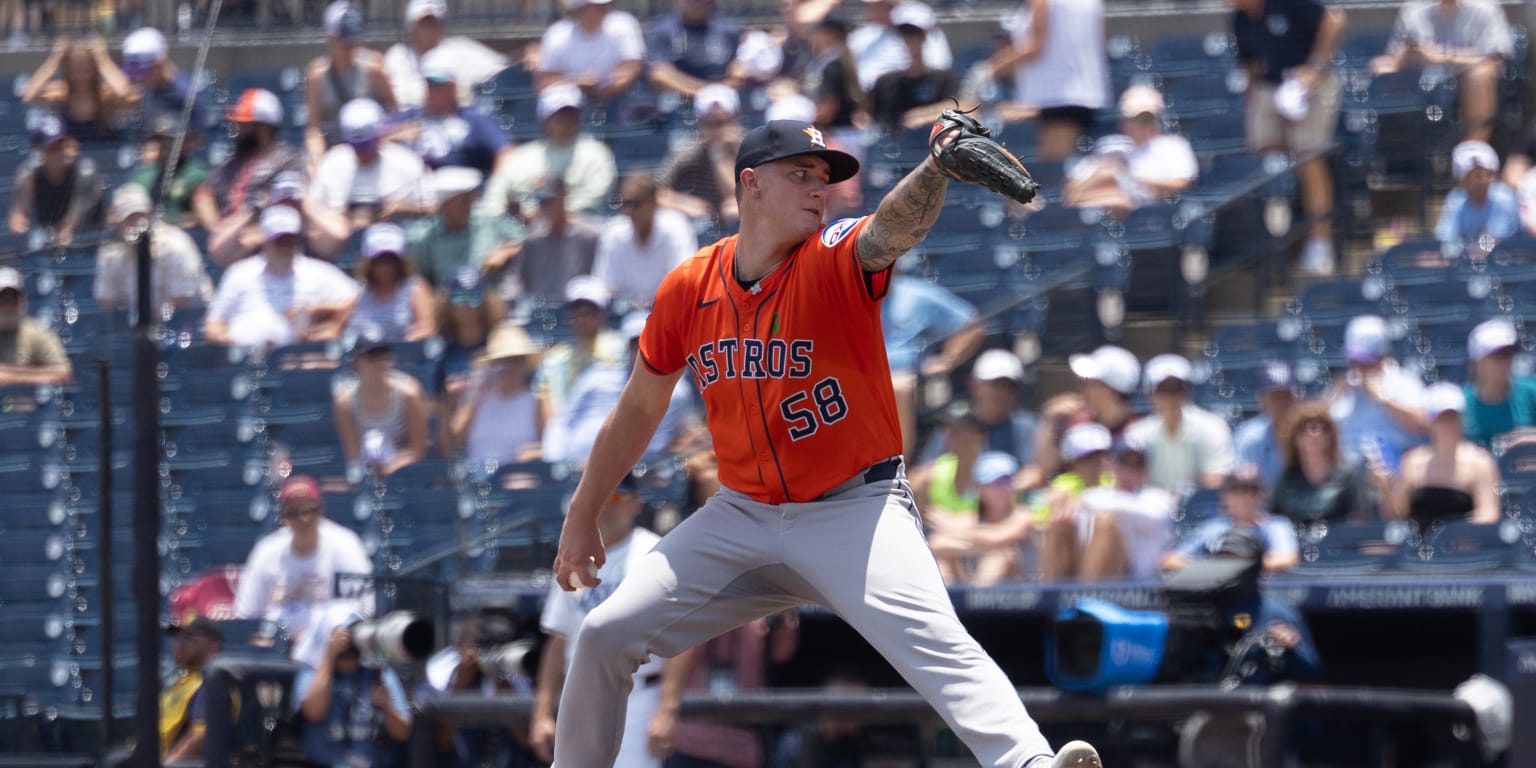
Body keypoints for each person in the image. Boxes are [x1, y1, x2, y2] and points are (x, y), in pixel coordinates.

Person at [549, 118, 1102, 768]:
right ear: (749, 183)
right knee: (606, 634)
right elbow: (638, 408)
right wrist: (582, 514)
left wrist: (936, 170)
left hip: (854, 509)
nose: (820, 190)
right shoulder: (688, 287)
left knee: (936, 641)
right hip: (743, 515)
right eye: (800, 175)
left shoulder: (831, 257)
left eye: (825, 178)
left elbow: (887, 231)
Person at [531, 473, 692, 768]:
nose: (607, 504)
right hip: (579, 696)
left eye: (616, 496)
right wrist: (542, 713)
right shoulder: (574, 553)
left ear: (636, 503)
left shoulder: (656, 552)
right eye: (602, 495)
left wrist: (667, 708)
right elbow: (559, 639)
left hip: (636, 695)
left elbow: (681, 634)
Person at [1227, 0, 1347, 274]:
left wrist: (1315, 67)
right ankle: (1275, 234)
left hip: (1309, 86)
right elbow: (1248, 61)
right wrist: (1251, 90)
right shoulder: (1239, 18)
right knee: (1261, 160)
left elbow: (1335, 19)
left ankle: (1320, 242)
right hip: (1270, 88)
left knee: (1308, 156)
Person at [233, 475, 374, 669]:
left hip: (332, 652)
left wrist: (316, 637)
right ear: (283, 515)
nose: (304, 518)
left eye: (310, 509)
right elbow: (247, 614)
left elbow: (362, 608)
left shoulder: (344, 544)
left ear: (321, 510)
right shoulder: (267, 550)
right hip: (277, 649)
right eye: (294, 511)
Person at [542, 310, 697, 468]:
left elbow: (654, 448)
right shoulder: (595, 377)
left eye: (649, 344)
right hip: (570, 470)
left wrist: (596, 468)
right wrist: (555, 462)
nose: (641, 352)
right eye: (635, 345)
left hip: (629, 478)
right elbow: (562, 424)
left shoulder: (675, 390)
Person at [204, 205, 360, 348]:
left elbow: (359, 301)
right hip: (244, 362)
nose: (284, 245)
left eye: (288, 239)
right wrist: (227, 340)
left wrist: (320, 313)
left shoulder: (318, 272)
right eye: (278, 240)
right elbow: (213, 325)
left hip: (297, 361)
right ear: (265, 240)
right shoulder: (239, 273)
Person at [1371, 0, 1511, 143]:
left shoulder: (1485, 7)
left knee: (1480, 75)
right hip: (1424, 81)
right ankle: (1398, 149)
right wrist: (1410, 54)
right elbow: (1394, 56)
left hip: (1468, 79)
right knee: (1383, 69)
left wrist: (1446, 56)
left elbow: (1496, 57)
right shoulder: (1414, 8)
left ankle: (1473, 150)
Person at [192, 89, 305, 260]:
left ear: (263, 128)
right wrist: (217, 228)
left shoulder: (288, 161)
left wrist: (253, 232)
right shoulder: (230, 163)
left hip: (267, 243)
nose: (238, 130)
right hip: (228, 240)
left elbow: (292, 206)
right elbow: (203, 194)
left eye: (244, 125)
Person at [881, 276, 984, 462]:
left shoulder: (916, 294)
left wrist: (946, 360)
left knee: (899, 387)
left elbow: (971, 326)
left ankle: (896, 466)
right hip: (859, 374)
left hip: (905, 377)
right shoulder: (847, 296)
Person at [308, 97, 435, 248]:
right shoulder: (332, 163)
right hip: (342, 248)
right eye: (356, 147)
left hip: (396, 249)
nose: (362, 153)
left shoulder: (407, 163)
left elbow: (433, 208)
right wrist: (340, 217)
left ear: (380, 135)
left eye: (366, 145)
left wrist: (402, 209)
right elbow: (312, 215)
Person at [991, 0, 1109, 161]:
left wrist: (991, 69)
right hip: (1078, 92)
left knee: (1054, 170)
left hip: (1058, 95)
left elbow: (1034, 47)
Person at [294, 613, 413, 767]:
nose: (350, 641)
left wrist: (387, 707)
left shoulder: (381, 673)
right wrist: (329, 656)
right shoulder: (313, 671)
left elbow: (404, 733)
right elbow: (314, 713)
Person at [483, 84, 618, 220]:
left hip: (579, 228)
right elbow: (495, 196)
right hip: (523, 229)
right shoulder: (521, 157)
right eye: (560, 115)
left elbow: (596, 195)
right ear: (544, 119)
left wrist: (550, 213)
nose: (567, 119)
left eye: (572, 113)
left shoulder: (596, 153)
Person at [1063, 85, 1198, 212]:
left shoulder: (1173, 146)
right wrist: (1102, 172)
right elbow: (1071, 193)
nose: (1142, 125)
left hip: (1154, 214)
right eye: (1135, 119)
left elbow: (1181, 184)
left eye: (1147, 119)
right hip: (1105, 211)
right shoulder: (1110, 146)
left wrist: (1130, 177)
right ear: (1123, 122)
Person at [1387, 381, 1502, 524]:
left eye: (1453, 418)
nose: (1449, 425)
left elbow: (1488, 513)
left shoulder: (1480, 463)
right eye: (1442, 419)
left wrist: (1451, 532)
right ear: (1430, 423)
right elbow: (1398, 514)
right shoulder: (1411, 463)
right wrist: (1386, 488)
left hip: (1463, 542)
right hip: (1420, 543)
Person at [1326, 314, 1427, 469]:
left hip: (1395, 467)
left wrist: (1382, 398)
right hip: (1348, 474)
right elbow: (1313, 426)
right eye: (1354, 362)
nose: (1359, 368)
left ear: (1383, 356)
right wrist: (1333, 397)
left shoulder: (1403, 382)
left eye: (1365, 362)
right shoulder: (1343, 386)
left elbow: (1421, 424)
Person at [1125, 354, 1236, 494]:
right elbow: (1130, 485)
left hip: (1199, 510)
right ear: (1150, 395)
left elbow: (1214, 484)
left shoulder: (1212, 428)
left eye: (1177, 390)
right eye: (1163, 390)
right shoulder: (1137, 435)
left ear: (1188, 393)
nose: (1171, 398)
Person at [93, 183, 212, 312]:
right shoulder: (111, 255)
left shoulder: (175, 245)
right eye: (130, 218)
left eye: (141, 216)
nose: (137, 223)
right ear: (118, 222)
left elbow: (182, 300)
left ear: (151, 214)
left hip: (188, 320)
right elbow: (107, 305)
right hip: (135, 325)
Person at [389, 49, 510, 176]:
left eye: (439, 85)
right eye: (430, 84)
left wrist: (496, 188)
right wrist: (394, 138)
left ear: (453, 87)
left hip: (459, 187)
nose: (434, 91)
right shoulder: (409, 117)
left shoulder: (473, 120)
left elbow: (505, 151)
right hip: (413, 187)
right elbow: (371, 143)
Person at [304, 0, 397, 164]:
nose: (349, 46)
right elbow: (314, 128)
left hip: (372, 151)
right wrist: (317, 159)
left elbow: (395, 114)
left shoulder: (374, 68)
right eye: (343, 41)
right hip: (335, 153)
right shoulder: (317, 76)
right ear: (331, 37)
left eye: (352, 41)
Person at [334, 332, 431, 478]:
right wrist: (371, 470)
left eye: (383, 354)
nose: (379, 361)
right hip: (366, 474)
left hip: (406, 474)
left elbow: (418, 450)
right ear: (357, 361)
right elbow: (353, 454)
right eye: (372, 356)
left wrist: (390, 468)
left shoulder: (408, 394)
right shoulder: (345, 403)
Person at [408, 167, 523, 289]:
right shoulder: (424, 236)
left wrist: (504, 253)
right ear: (445, 205)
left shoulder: (490, 219)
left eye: (470, 199)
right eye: (464, 201)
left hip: (490, 300)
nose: (470, 204)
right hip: (447, 304)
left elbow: (526, 243)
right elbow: (422, 280)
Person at [451, 323, 550, 465]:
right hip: (477, 480)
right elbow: (455, 439)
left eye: (515, 361)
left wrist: (531, 454)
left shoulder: (537, 401)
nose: (508, 367)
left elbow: (554, 447)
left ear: (524, 364)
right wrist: (473, 396)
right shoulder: (477, 400)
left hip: (520, 479)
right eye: (502, 362)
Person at [593, 175, 699, 307]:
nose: (629, 211)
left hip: (670, 313)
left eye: (636, 203)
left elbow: (684, 281)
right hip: (626, 317)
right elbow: (606, 288)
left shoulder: (675, 227)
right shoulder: (614, 233)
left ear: (653, 203)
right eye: (625, 204)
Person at [1162, 473, 1299, 574]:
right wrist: (1212, 569)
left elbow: (1287, 558)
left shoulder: (1276, 526)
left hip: (1262, 594)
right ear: (1224, 496)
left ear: (1262, 495)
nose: (1246, 497)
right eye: (1237, 490)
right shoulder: (1213, 528)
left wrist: (1235, 567)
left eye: (1252, 490)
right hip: (1217, 594)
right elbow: (1171, 560)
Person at [383, 0, 508, 110]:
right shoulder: (398, 56)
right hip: (412, 123)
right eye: (424, 24)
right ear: (411, 27)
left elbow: (504, 71)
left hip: (457, 123)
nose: (429, 29)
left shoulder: (462, 48)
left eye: (434, 23)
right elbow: (396, 98)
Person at [1269, 401, 1380, 524]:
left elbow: (1358, 522)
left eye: (1323, 429)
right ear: (1295, 438)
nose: (1314, 434)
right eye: (1304, 429)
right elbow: (1275, 523)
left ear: (1330, 436)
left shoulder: (1348, 479)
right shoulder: (1287, 480)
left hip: (1339, 541)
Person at [9, 112, 102, 246]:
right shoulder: (30, 175)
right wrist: (20, 225)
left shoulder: (85, 170)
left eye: (61, 145)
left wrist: (65, 231)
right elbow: (18, 216)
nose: (59, 152)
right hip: (50, 241)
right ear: (39, 150)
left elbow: (77, 212)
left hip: (88, 241)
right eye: (52, 148)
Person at [538, 276, 628, 412]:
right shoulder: (555, 359)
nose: (582, 319)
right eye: (577, 313)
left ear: (603, 315)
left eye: (589, 313)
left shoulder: (622, 348)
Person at [22, 34, 134, 143]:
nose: (81, 68)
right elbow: (29, 96)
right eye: (76, 64)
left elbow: (124, 93)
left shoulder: (105, 94)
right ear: (68, 69)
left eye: (86, 64)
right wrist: (55, 57)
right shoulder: (61, 94)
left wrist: (102, 58)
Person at [865, 2, 958, 132]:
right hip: (893, 149)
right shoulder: (885, 82)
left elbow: (961, 107)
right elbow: (868, 116)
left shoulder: (943, 78)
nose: (909, 40)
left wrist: (921, 115)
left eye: (915, 33)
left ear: (925, 35)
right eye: (904, 33)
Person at [659, 84, 743, 224]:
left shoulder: (750, 147)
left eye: (724, 122)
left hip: (742, 220)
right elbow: (657, 191)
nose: (718, 129)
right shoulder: (689, 151)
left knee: (733, 209)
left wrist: (718, 153)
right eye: (710, 124)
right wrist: (683, 203)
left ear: (736, 118)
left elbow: (737, 196)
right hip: (701, 222)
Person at [513, 178, 603, 304]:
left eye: (548, 201)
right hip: (539, 314)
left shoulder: (590, 236)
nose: (544, 207)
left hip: (577, 315)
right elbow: (519, 282)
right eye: (540, 202)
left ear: (563, 197)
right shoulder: (531, 240)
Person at [344, 222, 436, 342]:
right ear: (368, 262)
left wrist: (405, 343)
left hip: (404, 356)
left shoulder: (415, 288)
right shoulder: (357, 290)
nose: (386, 266)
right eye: (379, 260)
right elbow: (340, 319)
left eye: (392, 260)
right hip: (364, 356)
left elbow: (427, 327)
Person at [537, 0, 646, 99]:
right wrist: (576, 83)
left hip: (617, 100)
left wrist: (601, 92)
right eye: (597, 6)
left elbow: (630, 69)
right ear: (581, 8)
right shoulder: (557, 33)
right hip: (571, 102)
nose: (604, 8)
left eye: (605, 5)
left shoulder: (624, 24)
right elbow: (544, 82)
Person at [644, 0, 745, 98]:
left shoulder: (729, 29)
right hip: (681, 101)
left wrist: (719, 91)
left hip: (721, 103)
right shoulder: (663, 30)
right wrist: (708, 93)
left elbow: (739, 71)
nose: (699, 4)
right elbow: (660, 75)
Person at [120, 26, 206, 140]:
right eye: (135, 73)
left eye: (143, 71)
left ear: (160, 62)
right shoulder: (148, 89)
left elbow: (198, 140)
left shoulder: (187, 93)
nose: (139, 78)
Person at [847, 0, 953, 92]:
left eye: (881, 5)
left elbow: (939, 69)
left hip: (916, 93)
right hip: (876, 98)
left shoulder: (923, 33)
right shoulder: (864, 35)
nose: (872, 9)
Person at [1434, 140, 1518, 256]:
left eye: (1486, 174)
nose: (1482, 180)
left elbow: (1498, 237)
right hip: (1463, 267)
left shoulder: (1504, 197)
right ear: (1462, 180)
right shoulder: (1455, 199)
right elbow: (1447, 239)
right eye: (1474, 176)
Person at [1462, 317, 1536, 448]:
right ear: (1477, 362)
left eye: (1509, 354)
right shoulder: (1459, 403)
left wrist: (1529, 438)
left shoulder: (1531, 392)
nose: (1505, 362)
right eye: (1497, 356)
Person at [160, 617, 224, 763]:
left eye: (188, 638)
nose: (179, 644)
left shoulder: (212, 684)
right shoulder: (179, 681)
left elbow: (199, 738)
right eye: (177, 638)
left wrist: (167, 765)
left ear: (213, 646)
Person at [129, 114, 210, 226]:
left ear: (184, 143)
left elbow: (203, 217)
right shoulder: (145, 174)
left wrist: (173, 222)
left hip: (183, 236)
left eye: (170, 141)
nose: (164, 147)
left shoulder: (197, 174)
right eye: (161, 141)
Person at [0, 266, 72, 387]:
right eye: (2, 300)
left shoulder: (37, 332)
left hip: (27, 402)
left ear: (22, 301)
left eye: (12, 299)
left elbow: (63, 373)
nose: (8, 306)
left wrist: (9, 374)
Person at [1232, 361, 1298, 489]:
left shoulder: (1309, 433)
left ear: (1295, 399)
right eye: (1275, 397)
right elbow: (1241, 478)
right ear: (1263, 401)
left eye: (1286, 396)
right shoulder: (1249, 435)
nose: (1281, 404)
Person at [1068, 344, 1140, 445]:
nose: (1083, 390)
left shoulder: (1140, 437)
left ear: (1111, 391)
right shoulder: (1077, 424)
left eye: (1090, 384)